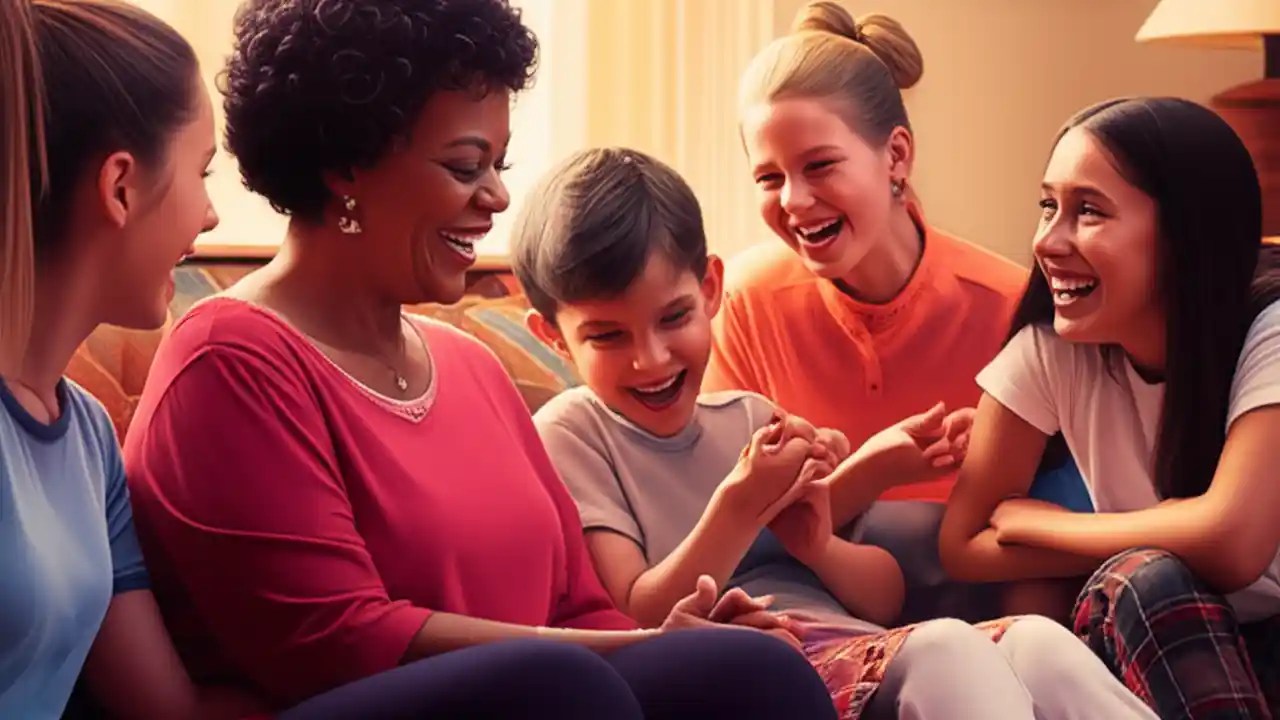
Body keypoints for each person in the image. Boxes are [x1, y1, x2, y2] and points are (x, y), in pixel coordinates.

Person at [122, 1, 838, 718]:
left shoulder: (470, 365)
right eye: (466, 166)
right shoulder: (231, 360)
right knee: (561, 686)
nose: (497, 196)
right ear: (345, 165)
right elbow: (338, 642)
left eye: (500, 164)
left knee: (751, 669)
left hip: (552, 694)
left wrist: (662, 642)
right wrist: (622, 650)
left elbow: (580, 607)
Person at [514, 146, 1157, 720]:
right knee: (945, 648)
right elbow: (638, 611)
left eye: (673, 317)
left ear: (710, 289)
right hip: (769, 666)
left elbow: (883, 596)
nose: (650, 359)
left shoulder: (750, 418)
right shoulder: (573, 433)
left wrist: (821, 543)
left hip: (855, 642)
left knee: (1038, 641)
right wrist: (739, 505)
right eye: (607, 336)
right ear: (553, 338)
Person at [938, 96, 1280, 719]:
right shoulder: (1052, 349)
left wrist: (1038, 523)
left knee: (1146, 573)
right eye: (1048, 206)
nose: (1048, 241)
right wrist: (1174, 531)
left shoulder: (1270, 329)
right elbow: (962, 542)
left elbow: (1235, 544)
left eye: (1089, 211)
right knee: (1145, 580)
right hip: (1156, 631)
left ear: (1184, 233)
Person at [0, 1, 265, 717]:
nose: (210, 215)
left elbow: (170, 712)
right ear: (121, 186)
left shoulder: (89, 436)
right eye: (203, 172)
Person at [706, 0, 1028, 505]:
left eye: (819, 166)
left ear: (896, 155)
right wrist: (868, 474)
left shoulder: (1013, 308)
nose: (792, 200)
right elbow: (733, 523)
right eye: (769, 178)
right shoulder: (743, 304)